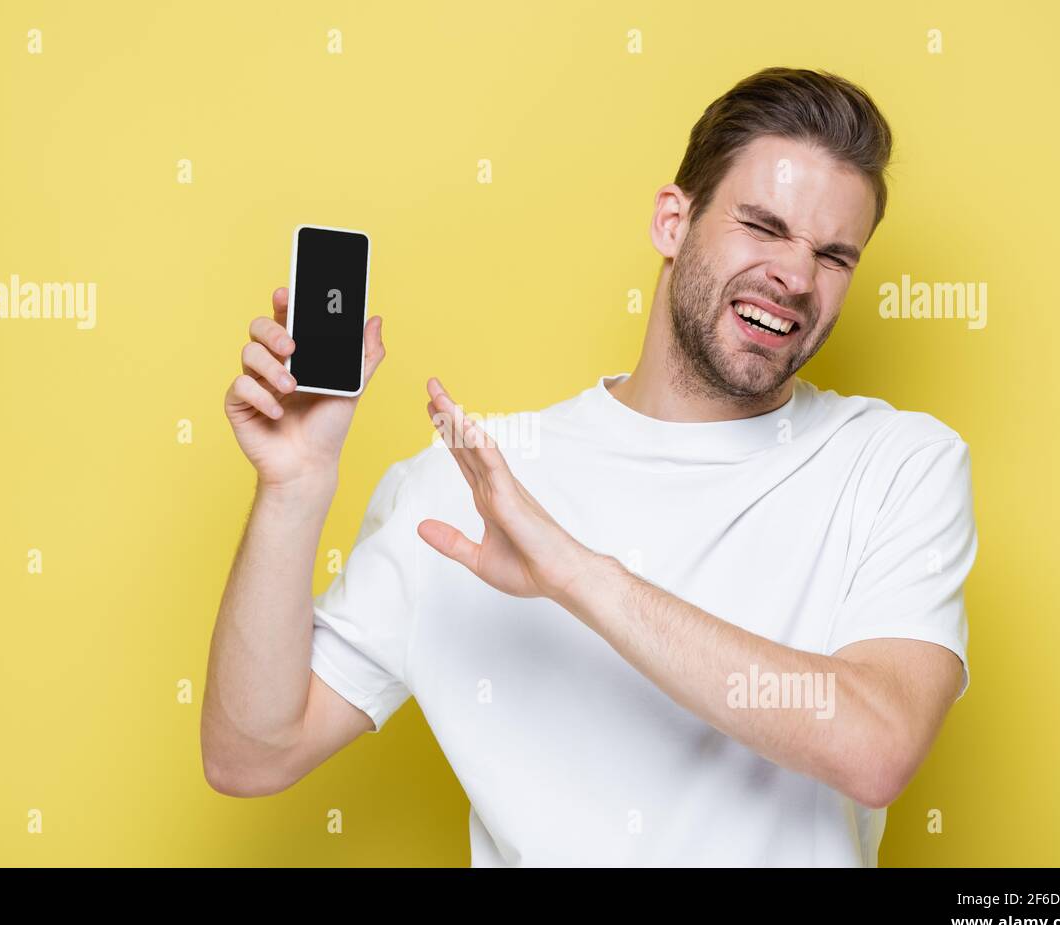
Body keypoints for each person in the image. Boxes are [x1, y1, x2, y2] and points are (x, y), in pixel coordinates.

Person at [201, 67, 978, 867]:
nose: (796, 277)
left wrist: (574, 573)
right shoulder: (469, 483)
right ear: (673, 221)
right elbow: (249, 753)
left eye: (834, 255)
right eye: (763, 227)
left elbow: (876, 746)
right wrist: (292, 488)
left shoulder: (896, 465)